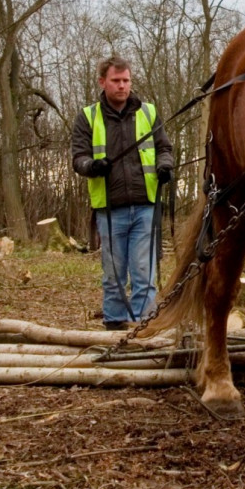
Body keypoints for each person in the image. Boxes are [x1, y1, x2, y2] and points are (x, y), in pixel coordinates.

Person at [71, 56, 174, 329]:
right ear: (102, 82)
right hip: (109, 206)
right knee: (113, 273)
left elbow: (164, 148)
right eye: (116, 81)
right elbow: (78, 158)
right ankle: (114, 324)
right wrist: (92, 166)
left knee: (144, 270)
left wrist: (165, 167)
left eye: (126, 80)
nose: (122, 86)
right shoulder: (88, 117)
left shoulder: (148, 113)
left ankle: (143, 325)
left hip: (145, 205)